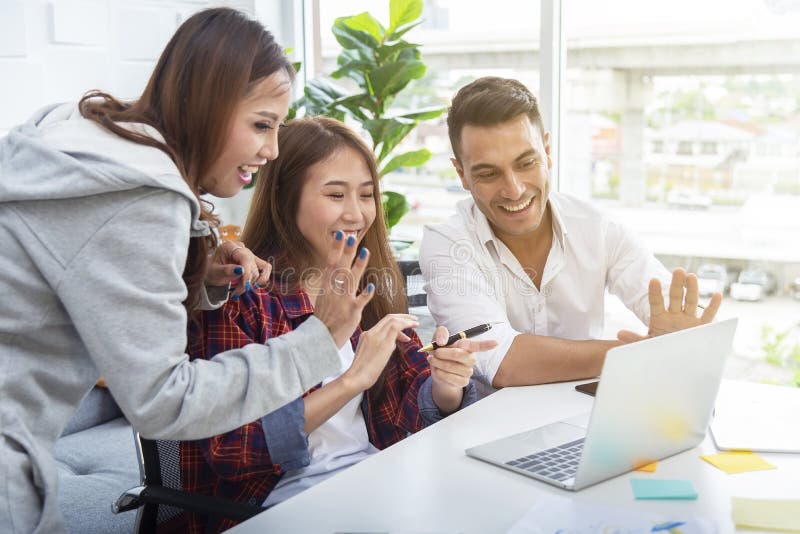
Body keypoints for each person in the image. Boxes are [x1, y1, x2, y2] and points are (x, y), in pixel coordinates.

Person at [0, 9, 373, 533]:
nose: (272, 150)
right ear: (208, 105)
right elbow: (163, 401)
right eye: (261, 124)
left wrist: (197, 278)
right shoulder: (140, 196)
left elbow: (80, 279)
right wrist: (320, 340)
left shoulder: (86, 138)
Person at [180, 116, 496, 533]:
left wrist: (446, 384)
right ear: (286, 198)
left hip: (373, 481)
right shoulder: (242, 297)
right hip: (275, 505)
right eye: (335, 195)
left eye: (366, 195)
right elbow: (231, 449)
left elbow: (406, 403)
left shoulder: (366, 289)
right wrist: (349, 382)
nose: (356, 214)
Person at [419, 77, 722, 396]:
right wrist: (643, 354)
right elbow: (503, 360)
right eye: (489, 173)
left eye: (526, 163)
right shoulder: (447, 244)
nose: (514, 189)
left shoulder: (598, 228)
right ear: (461, 174)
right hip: (488, 421)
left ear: (547, 152)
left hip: (587, 415)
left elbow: (673, 318)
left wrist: (685, 335)